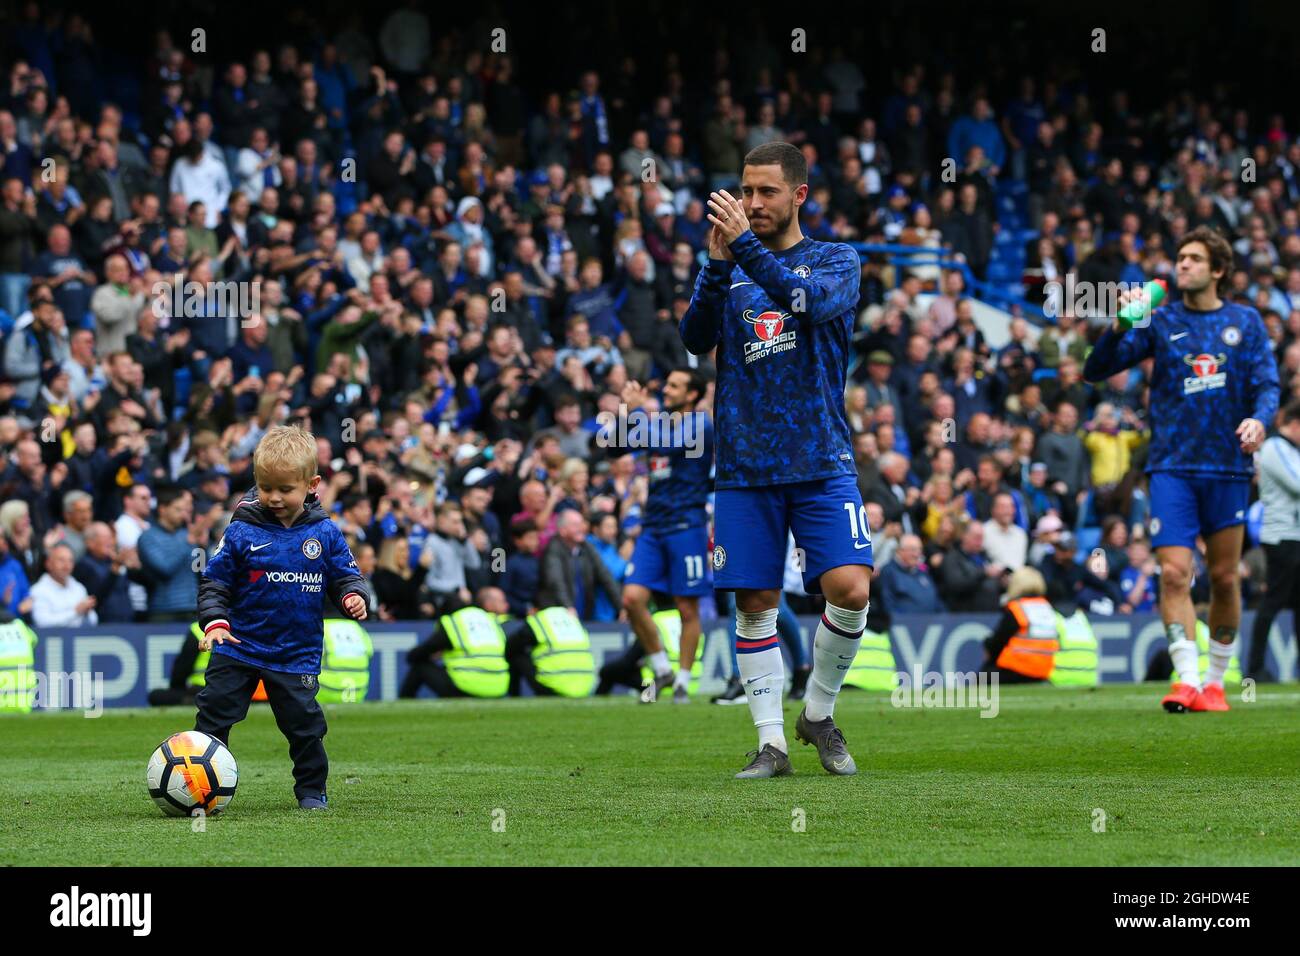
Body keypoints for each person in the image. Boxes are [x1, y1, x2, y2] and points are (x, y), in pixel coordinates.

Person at [681, 141, 871, 778]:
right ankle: (772, 744)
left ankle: (817, 713)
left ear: (799, 195)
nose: (751, 204)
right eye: (744, 190)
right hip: (744, 466)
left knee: (850, 589)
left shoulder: (836, 261)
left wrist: (744, 250)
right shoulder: (731, 266)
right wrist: (714, 267)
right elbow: (694, 338)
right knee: (755, 599)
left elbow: (804, 303)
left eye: (765, 192)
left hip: (821, 459)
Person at [1084, 226, 1280, 713]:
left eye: (1194, 258)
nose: (1183, 264)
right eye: (1180, 256)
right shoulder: (1159, 319)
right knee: (1174, 573)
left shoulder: (1246, 321)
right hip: (1171, 466)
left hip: (1228, 468)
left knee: (1226, 577)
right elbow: (1096, 370)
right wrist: (1119, 324)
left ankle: (1215, 682)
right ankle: (1187, 679)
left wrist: (1260, 420)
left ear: (1217, 270)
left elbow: (1268, 386)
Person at [195, 425, 370, 810]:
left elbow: (346, 576)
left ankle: (311, 791)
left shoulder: (324, 533)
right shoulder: (241, 530)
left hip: (295, 653)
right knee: (213, 716)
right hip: (238, 645)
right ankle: (197, 786)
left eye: (284, 489)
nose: (273, 497)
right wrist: (216, 623)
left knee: (305, 727)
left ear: (312, 484)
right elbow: (215, 583)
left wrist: (353, 596)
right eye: (265, 487)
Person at [617, 369, 714, 704]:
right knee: (632, 599)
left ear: (691, 395)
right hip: (653, 526)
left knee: (687, 608)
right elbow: (613, 448)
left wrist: (640, 410)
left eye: (674, 386)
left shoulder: (701, 425)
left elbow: (668, 444)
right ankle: (662, 669)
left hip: (686, 525)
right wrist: (627, 413)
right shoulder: (656, 424)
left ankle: (684, 682)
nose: (666, 390)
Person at [1247, 398, 1300, 680]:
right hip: (1281, 536)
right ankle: (1255, 667)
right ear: (1294, 424)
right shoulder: (1274, 448)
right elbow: (1297, 484)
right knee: (1273, 602)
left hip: (1295, 535)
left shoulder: (1291, 450)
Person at [980, 566, 1059, 683]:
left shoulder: (1017, 608)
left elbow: (998, 641)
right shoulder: (1047, 607)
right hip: (1044, 671)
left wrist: (987, 646)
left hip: (1017, 668)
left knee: (980, 679)